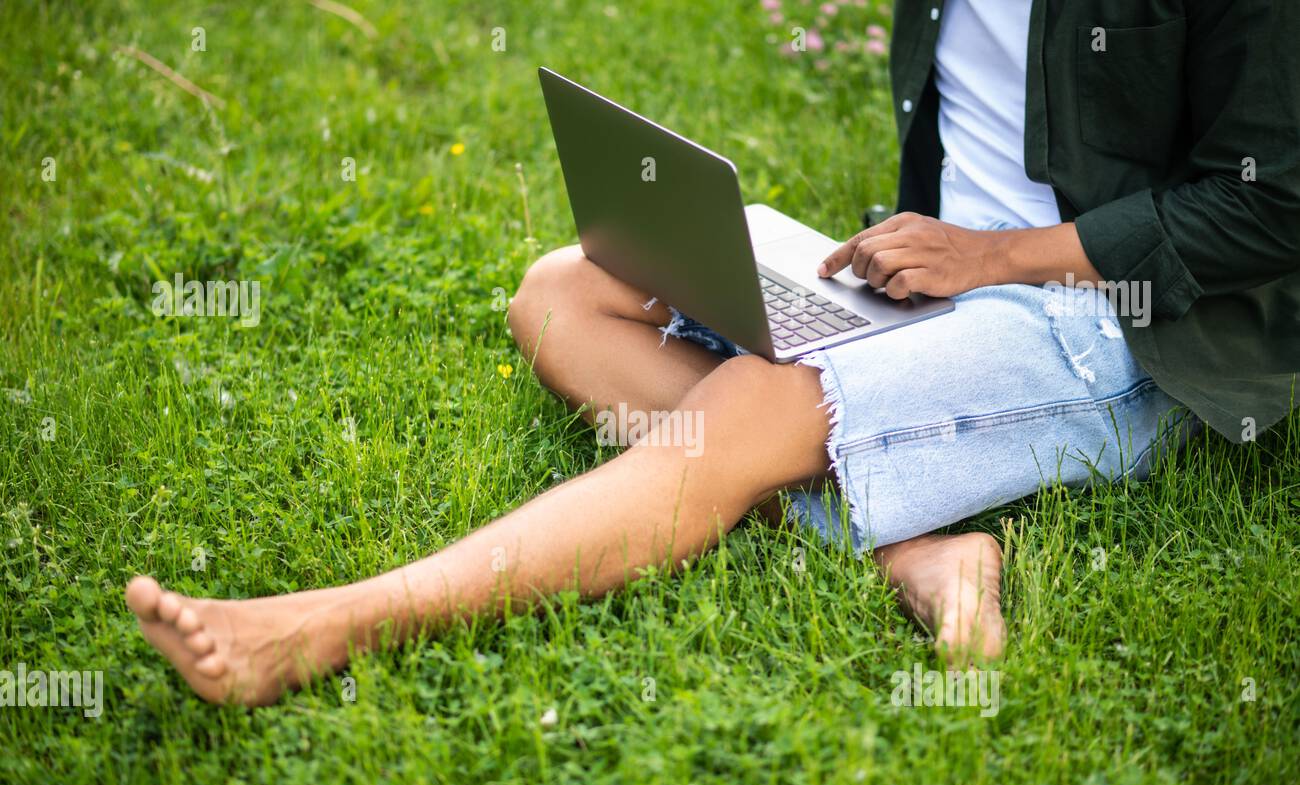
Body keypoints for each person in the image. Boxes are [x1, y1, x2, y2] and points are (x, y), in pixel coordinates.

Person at [126, 0, 1299, 705]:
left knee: (750, 407)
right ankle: (918, 552)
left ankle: (327, 625)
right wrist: (926, 258)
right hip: (931, 276)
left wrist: (993, 258)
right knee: (561, 298)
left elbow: (1274, 205)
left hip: (1121, 320)